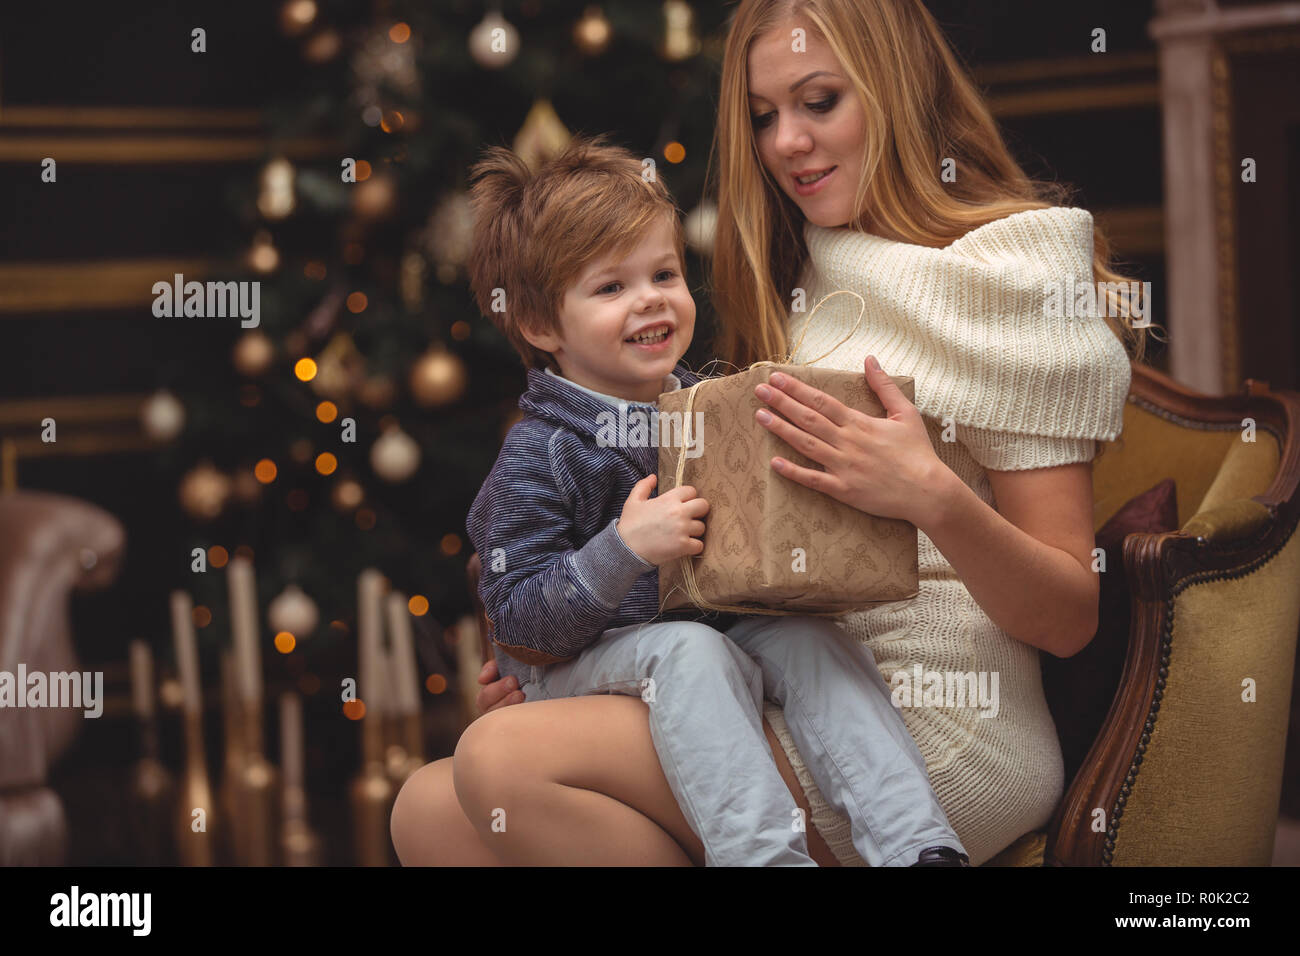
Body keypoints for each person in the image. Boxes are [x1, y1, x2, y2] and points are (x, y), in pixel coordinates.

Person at [391, 0, 1151, 867]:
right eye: (763, 116)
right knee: (427, 813)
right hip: (771, 671)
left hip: (930, 731)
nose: (787, 141)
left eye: (819, 101)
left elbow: (1068, 616)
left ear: (896, 92)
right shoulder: (808, 267)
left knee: (499, 764)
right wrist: (563, 644)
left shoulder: (1008, 276)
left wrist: (931, 496)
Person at [458, 134, 968, 867]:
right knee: (688, 649)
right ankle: (762, 857)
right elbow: (517, 617)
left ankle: (920, 846)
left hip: (719, 628)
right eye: (610, 288)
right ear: (540, 326)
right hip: (584, 665)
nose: (652, 300)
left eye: (664, 273)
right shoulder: (542, 449)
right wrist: (622, 550)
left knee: (813, 641)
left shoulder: (702, 405)